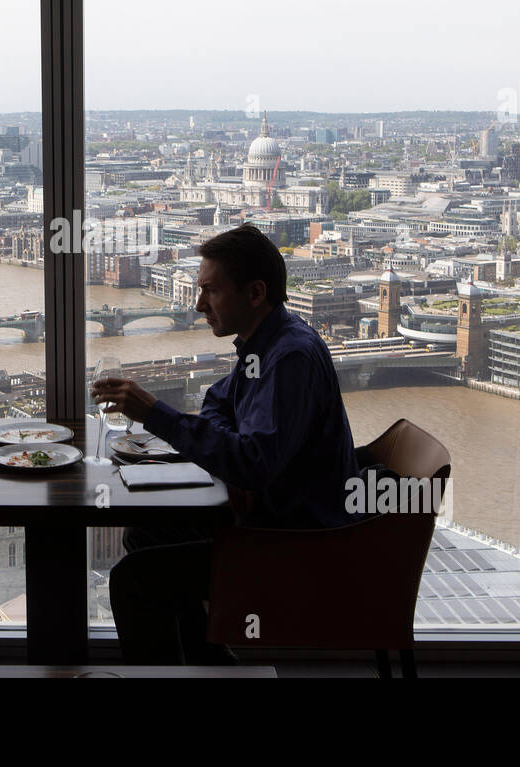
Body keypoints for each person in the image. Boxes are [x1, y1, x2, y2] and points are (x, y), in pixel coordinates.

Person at [92, 223, 361, 664]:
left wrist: (155, 413)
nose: (199, 304)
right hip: (282, 519)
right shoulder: (269, 342)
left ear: (255, 293)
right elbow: (219, 402)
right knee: (145, 534)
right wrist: (235, 452)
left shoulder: (288, 358)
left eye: (210, 291)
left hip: (299, 543)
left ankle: (194, 671)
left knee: (131, 580)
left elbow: (252, 463)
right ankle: (210, 667)